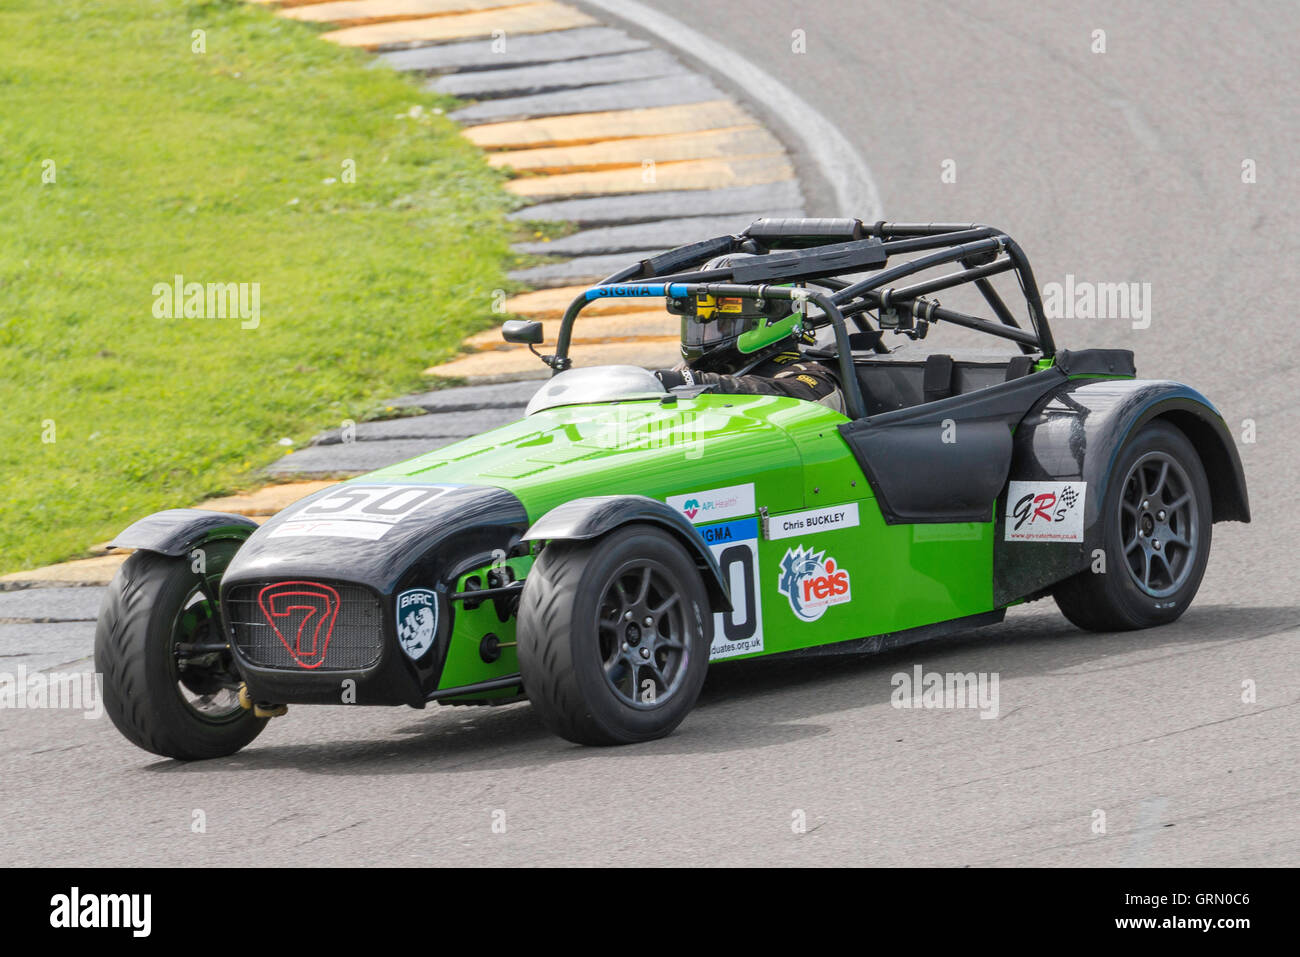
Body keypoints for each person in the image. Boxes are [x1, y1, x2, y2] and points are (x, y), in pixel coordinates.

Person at [651, 257, 846, 413]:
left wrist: (698, 383)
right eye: (699, 322)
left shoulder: (810, 373)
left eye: (721, 323)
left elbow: (798, 400)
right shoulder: (686, 371)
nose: (706, 331)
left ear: (771, 318)